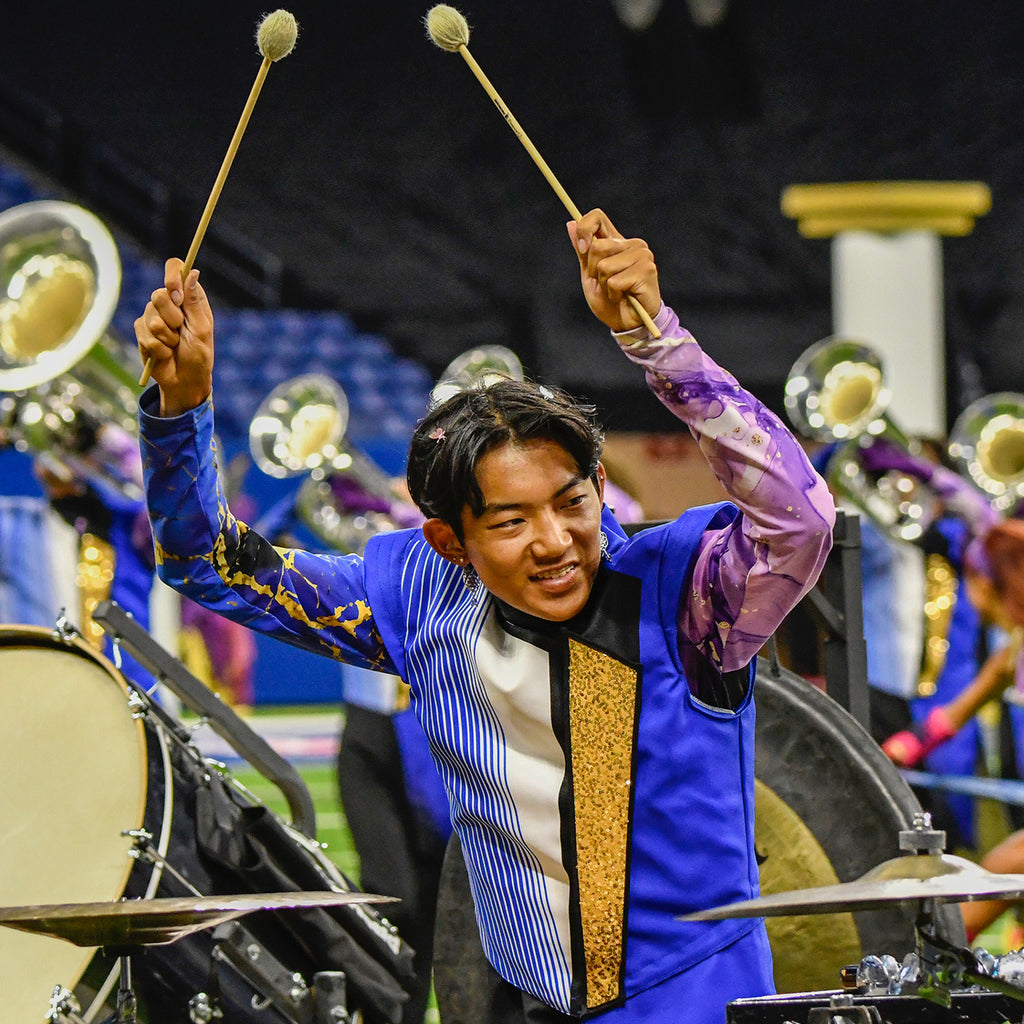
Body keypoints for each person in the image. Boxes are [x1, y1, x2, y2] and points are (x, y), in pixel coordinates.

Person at [134, 208, 836, 1023]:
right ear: (450, 538)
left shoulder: (685, 595)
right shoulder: (416, 592)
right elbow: (209, 562)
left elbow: (802, 521)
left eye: (571, 502)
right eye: (509, 522)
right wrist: (181, 406)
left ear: (600, 487)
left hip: (698, 999)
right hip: (527, 1004)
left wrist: (659, 340)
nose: (554, 542)